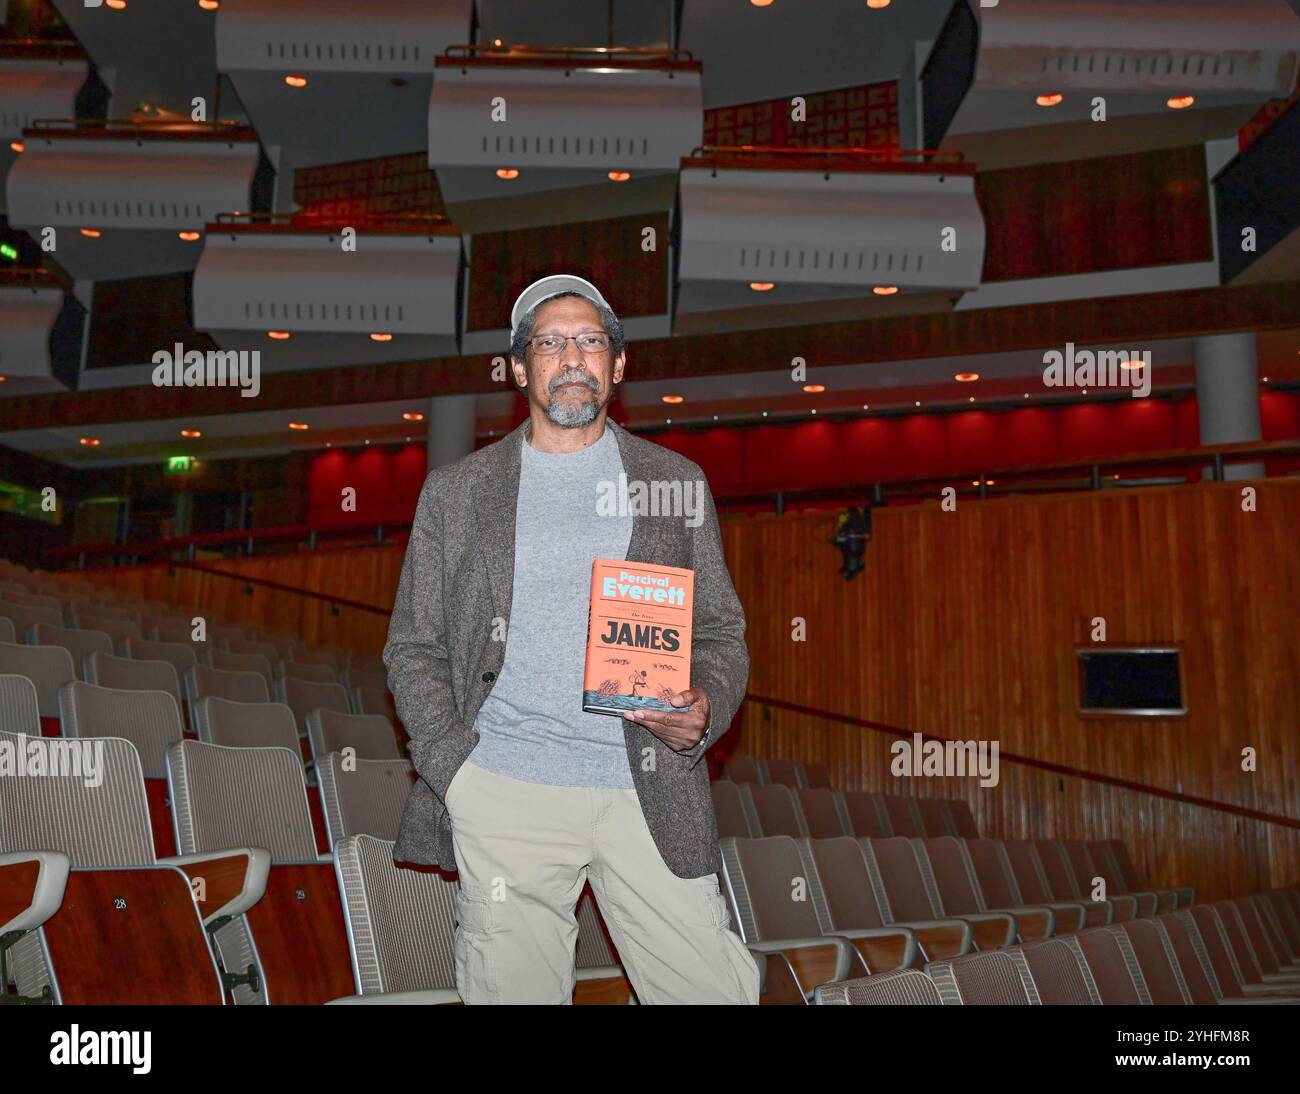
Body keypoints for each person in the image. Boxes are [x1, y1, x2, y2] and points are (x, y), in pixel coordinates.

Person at [384, 274, 760, 1004]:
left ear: (618, 367)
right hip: (506, 790)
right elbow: (414, 645)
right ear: (520, 368)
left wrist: (704, 706)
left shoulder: (674, 482)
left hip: (646, 788)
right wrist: (458, 772)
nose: (573, 356)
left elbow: (720, 630)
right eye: (550, 342)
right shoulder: (457, 492)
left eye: (591, 340)